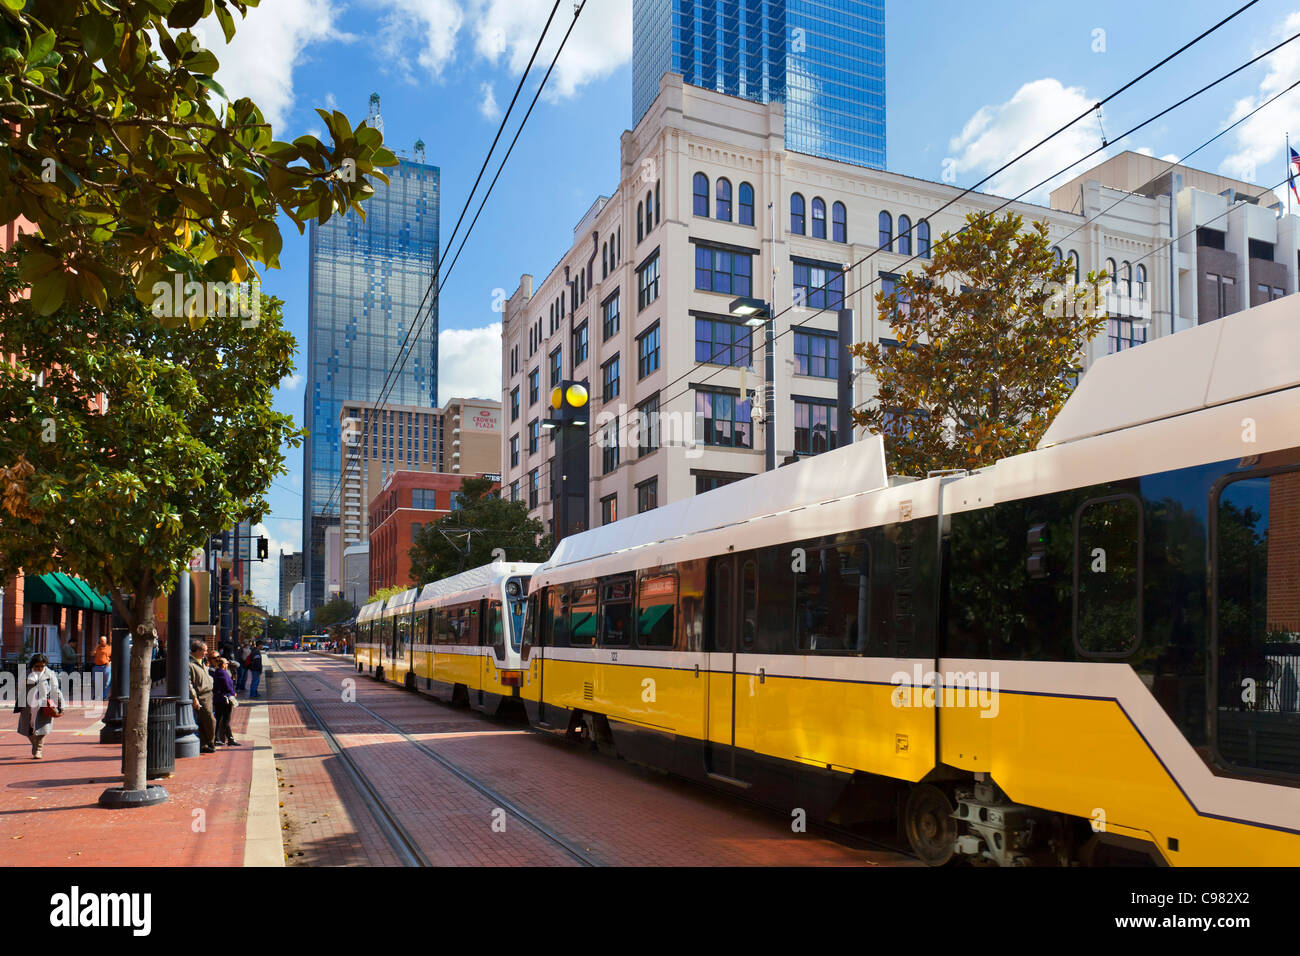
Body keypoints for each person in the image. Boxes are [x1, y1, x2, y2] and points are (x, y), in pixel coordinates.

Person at [17, 654, 64, 759]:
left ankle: (38, 749)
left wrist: (61, 705)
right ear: (32, 665)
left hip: (45, 705)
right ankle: (34, 744)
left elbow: (56, 690)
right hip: (28, 705)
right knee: (27, 729)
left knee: (43, 729)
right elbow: (20, 690)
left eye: (42, 666)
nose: (39, 668)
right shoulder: (25, 674)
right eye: (37, 666)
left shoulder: (50, 674)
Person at [187, 640, 216, 753]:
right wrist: (194, 698)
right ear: (198, 650)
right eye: (204, 650)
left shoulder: (202, 662)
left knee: (203, 721)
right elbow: (188, 683)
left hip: (209, 694)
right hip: (201, 696)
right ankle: (211, 742)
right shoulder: (190, 664)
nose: (206, 652)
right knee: (210, 719)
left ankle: (203, 744)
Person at [209, 657, 240, 747]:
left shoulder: (218, 672)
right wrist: (233, 693)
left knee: (218, 719)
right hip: (224, 700)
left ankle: (216, 738)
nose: (227, 665)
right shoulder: (222, 673)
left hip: (219, 699)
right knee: (226, 720)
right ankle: (230, 739)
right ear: (223, 664)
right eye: (226, 663)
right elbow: (227, 685)